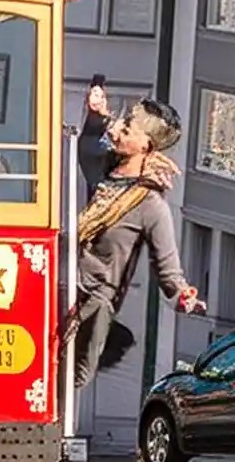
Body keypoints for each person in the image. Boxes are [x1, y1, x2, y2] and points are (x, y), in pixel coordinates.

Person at [68, 89, 207, 389]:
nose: (117, 130)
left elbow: (168, 269)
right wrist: (95, 117)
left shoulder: (151, 205)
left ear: (145, 145)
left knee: (72, 375)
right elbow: (87, 150)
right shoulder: (107, 171)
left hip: (94, 301)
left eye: (127, 129)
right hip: (65, 281)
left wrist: (184, 296)